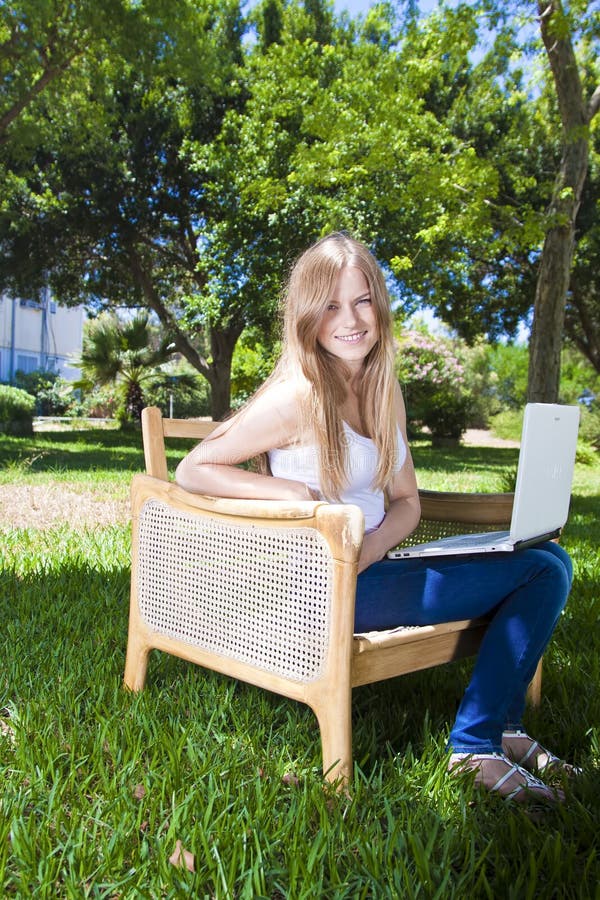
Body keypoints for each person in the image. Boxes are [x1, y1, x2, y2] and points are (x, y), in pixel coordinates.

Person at [176, 232, 577, 805]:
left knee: (548, 557)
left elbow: (407, 502)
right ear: (308, 315)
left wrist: (373, 544)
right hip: (319, 586)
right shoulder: (297, 395)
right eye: (332, 305)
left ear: (379, 304)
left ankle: (501, 731)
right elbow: (194, 468)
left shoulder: (383, 389)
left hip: (373, 565)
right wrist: (289, 490)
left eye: (362, 300)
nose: (351, 319)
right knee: (543, 571)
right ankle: (477, 743)